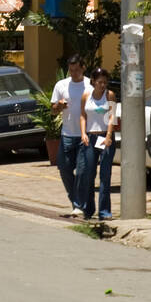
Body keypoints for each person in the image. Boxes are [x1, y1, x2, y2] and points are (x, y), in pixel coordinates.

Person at [50, 54, 89, 216]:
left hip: (83, 135)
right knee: (64, 169)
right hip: (67, 134)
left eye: (76, 70)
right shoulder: (61, 85)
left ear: (83, 68)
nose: (73, 73)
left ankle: (79, 205)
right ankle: (75, 201)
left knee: (81, 171)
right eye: (71, 70)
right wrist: (58, 106)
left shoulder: (90, 85)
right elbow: (53, 111)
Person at [79, 68, 117, 220]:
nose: (102, 85)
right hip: (91, 137)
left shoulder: (110, 96)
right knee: (88, 173)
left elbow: (111, 116)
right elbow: (82, 116)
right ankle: (88, 209)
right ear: (93, 82)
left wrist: (108, 136)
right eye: (100, 82)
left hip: (104, 137)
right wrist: (83, 133)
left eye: (105, 82)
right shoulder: (86, 96)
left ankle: (104, 211)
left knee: (105, 175)